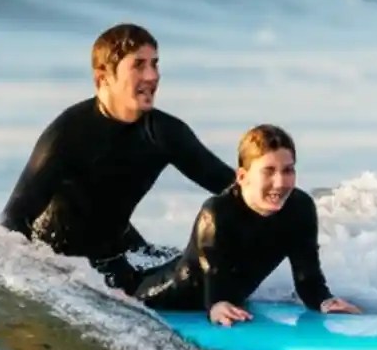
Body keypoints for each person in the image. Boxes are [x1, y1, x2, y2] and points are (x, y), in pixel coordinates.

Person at [0, 23, 234, 290]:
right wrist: (21, 288)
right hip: (58, 262)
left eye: (155, 64)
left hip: (118, 253)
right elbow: (13, 219)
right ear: (102, 78)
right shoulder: (68, 134)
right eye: (138, 65)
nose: (152, 76)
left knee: (199, 271)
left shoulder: (164, 134)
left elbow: (236, 191)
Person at [133, 124, 361, 326]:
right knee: (132, 295)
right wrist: (217, 305)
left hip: (228, 299)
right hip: (167, 299)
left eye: (288, 170)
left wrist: (325, 302)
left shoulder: (300, 209)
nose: (280, 182)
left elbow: (307, 279)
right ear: (242, 177)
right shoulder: (217, 213)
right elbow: (214, 276)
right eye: (268, 171)